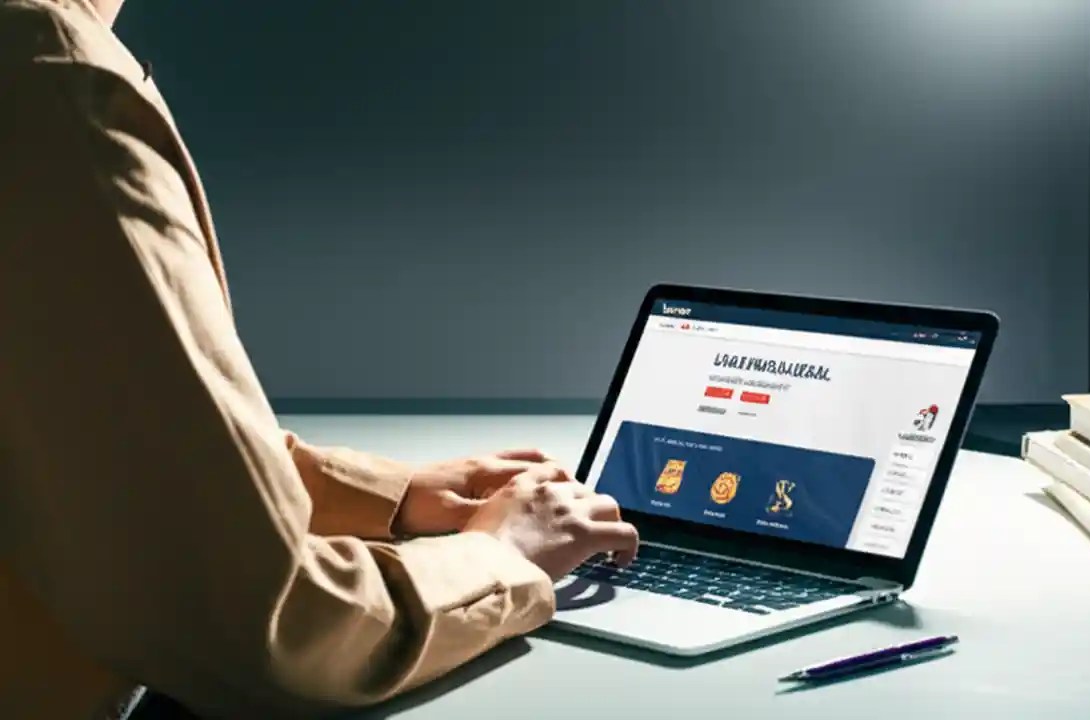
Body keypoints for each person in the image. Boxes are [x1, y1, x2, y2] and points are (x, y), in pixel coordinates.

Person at [0, 1, 639, 717]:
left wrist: (386, 498)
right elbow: (263, 629)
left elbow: (72, 425)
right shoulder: (46, 82)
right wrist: (502, 556)